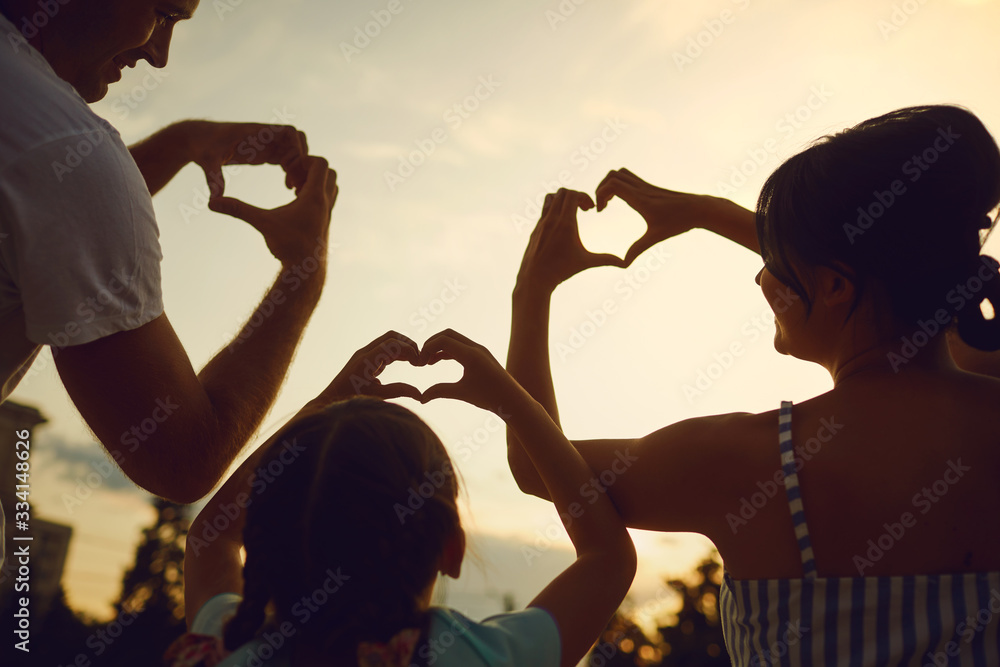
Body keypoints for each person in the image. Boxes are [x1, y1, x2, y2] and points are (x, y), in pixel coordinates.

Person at [506, 105, 1000, 664]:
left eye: (777, 258)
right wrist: (710, 213)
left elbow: (534, 464)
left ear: (835, 285)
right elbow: (911, 288)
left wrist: (532, 290)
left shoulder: (754, 463)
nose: (762, 275)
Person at [0, 0, 337, 530]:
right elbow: (183, 458)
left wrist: (185, 142)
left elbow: (44, 203)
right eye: (163, 13)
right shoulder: (70, 151)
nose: (159, 55)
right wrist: (304, 271)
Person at [170, 330, 636, 666]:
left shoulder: (225, 649)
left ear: (265, 546)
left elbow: (211, 539)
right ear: (451, 549)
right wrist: (511, 402)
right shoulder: (478, 659)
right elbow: (608, 556)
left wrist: (322, 409)